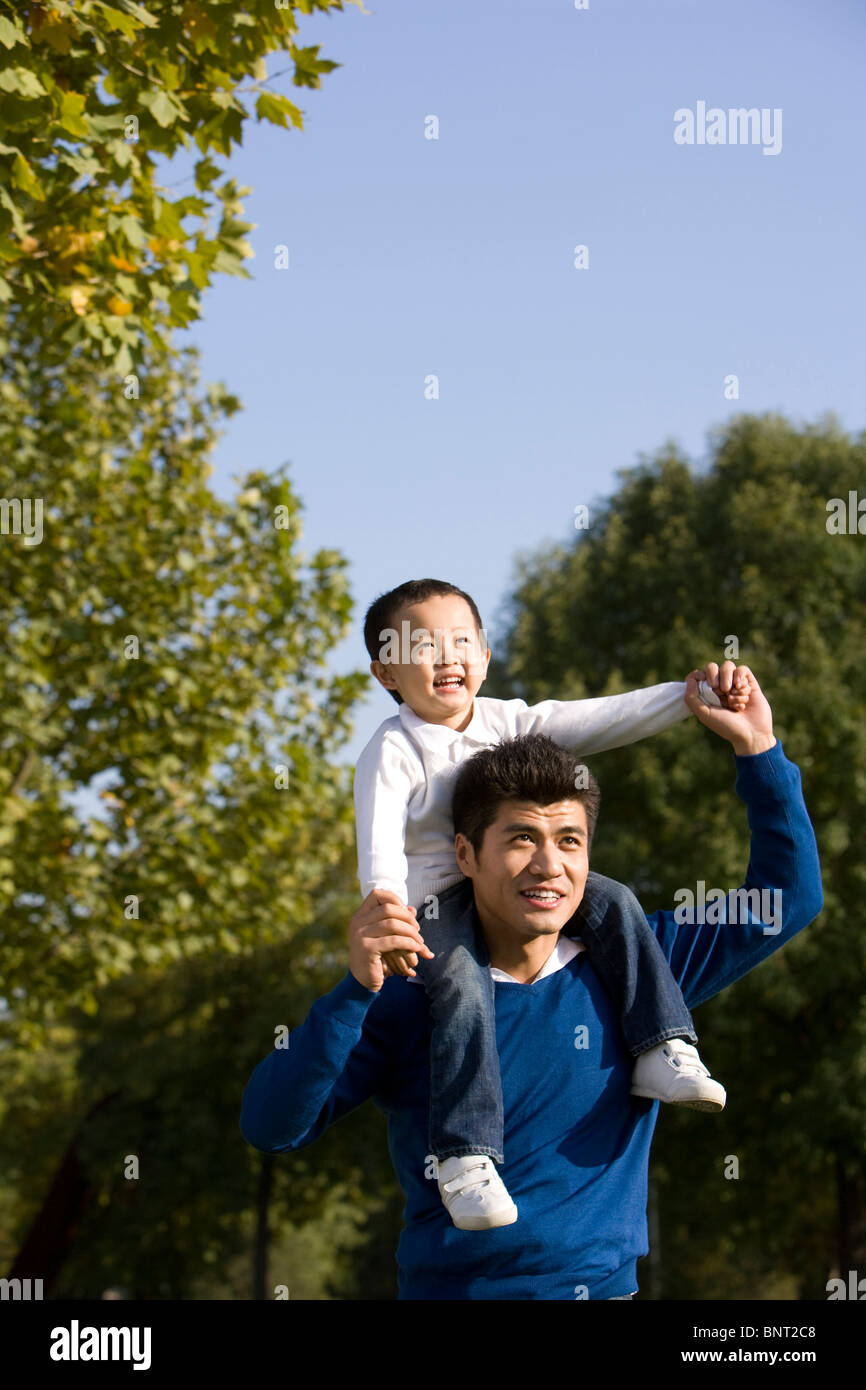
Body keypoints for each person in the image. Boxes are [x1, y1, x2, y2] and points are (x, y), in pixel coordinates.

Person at [240, 665, 823, 1299]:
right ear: (466, 855)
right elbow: (273, 1125)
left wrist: (758, 748)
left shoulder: (641, 965)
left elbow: (787, 900)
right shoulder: (412, 991)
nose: (550, 865)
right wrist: (355, 990)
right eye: (521, 838)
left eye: (569, 840)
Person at [351, 578, 745, 1229]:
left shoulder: (506, 719)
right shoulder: (392, 750)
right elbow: (378, 842)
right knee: (461, 987)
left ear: (483, 651)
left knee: (614, 900)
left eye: (462, 641)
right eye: (421, 646)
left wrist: (688, 697)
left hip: (517, 888)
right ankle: (465, 1157)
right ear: (386, 671)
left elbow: (598, 718)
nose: (446, 657)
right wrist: (386, 910)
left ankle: (660, 1046)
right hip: (438, 908)